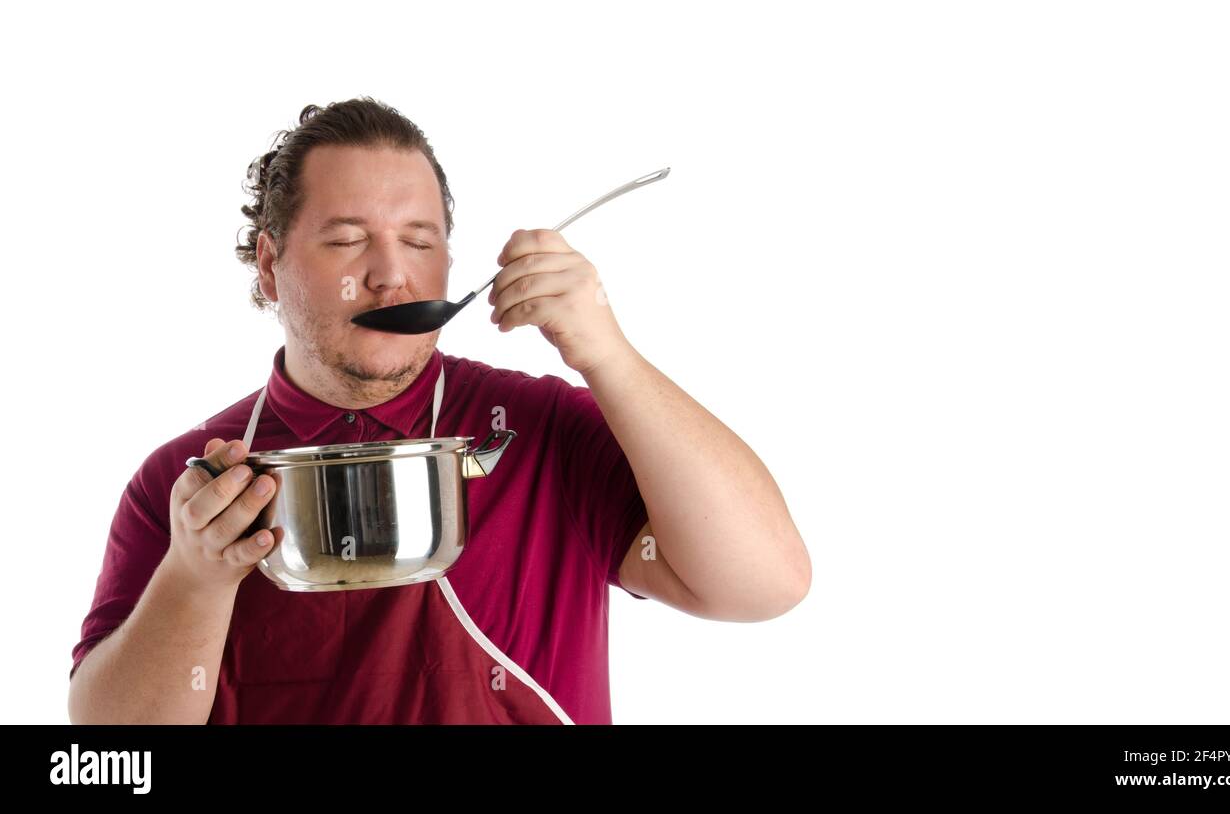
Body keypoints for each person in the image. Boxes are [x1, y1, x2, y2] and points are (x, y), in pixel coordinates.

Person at [67, 97, 811, 724]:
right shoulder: (190, 482)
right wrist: (194, 579)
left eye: (419, 241)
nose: (392, 276)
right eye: (349, 240)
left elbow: (765, 584)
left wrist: (608, 356)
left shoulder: (547, 433)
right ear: (269, 264)